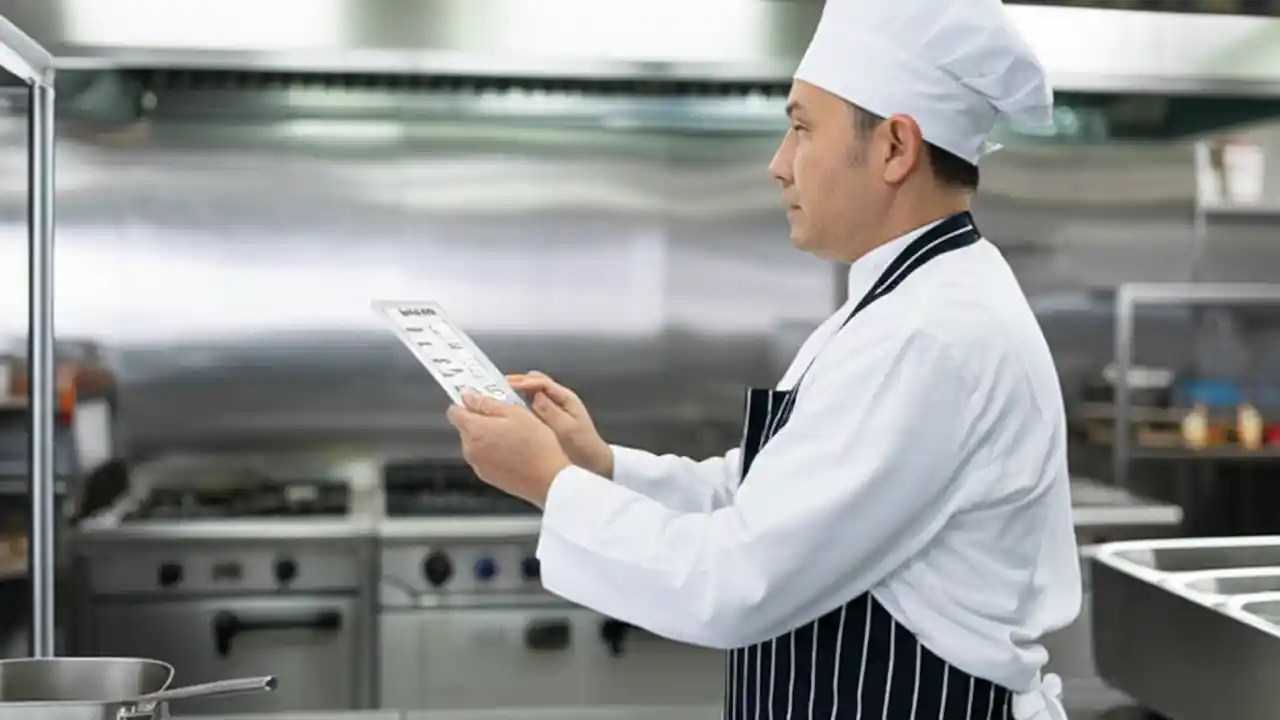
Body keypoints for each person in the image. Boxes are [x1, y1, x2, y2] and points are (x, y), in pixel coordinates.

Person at [445, 0, 1081, 716]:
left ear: (896, 149)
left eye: (802, 128)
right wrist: (602, 466)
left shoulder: (930, 335)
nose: (778, 164)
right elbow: (763, 497)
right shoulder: (896, 307)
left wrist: (549, 482)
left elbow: (737, 579)